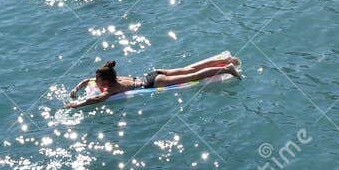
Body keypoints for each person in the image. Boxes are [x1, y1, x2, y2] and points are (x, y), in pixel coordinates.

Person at [65, 55, 241, 108]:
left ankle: (226, 69)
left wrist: (75, 105)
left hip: (153, 83)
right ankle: (226, 59)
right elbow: (86, 80)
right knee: (189, 68)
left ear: (105, 80)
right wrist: (76, 89)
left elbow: (95, 100)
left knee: (192, 76)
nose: (95, 81)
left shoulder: (110, 89)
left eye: (98, 79)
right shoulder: (112, 77)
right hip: (152, 74)